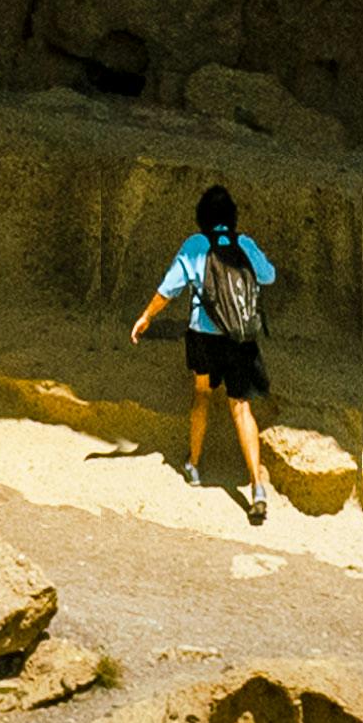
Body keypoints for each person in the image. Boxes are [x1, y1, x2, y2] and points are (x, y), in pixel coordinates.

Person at [131, 185, 277, 524]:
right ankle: (256, 487)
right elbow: (268, 276)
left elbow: (170, 287)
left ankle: (194, 465)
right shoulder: (245, 244)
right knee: (241, 408)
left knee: (201, 396)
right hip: (239, 340)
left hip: (204, 338)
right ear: (231, 217)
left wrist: (147, 316)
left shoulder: (196, 245)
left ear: (203, 217)